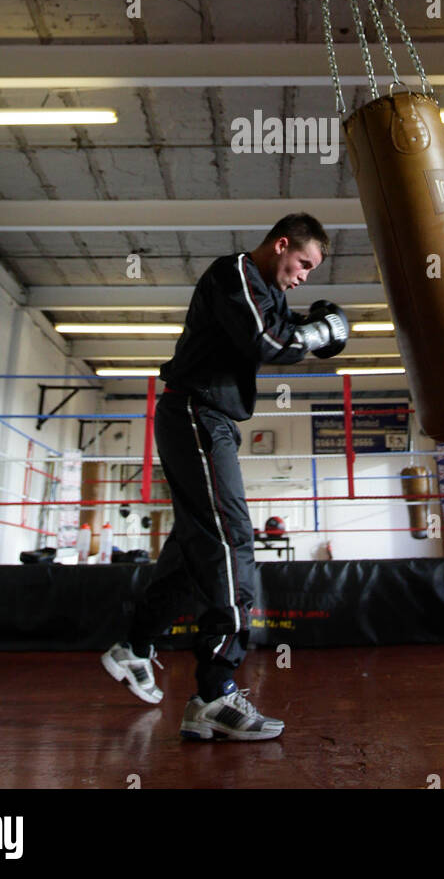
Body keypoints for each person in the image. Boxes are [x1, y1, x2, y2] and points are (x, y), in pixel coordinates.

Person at [101, 212, 350, 741]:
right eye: (303, 263)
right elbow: (269, 343)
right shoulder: (233, 272)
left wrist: (315, 326)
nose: (304, 275)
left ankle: (136, 644)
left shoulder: (267, 292)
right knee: (232, 538)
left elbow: (280, 330)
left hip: (208, 417)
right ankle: (216, 692)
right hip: (197, 412)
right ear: (281, 244)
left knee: (195, 545)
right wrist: (320, 331)